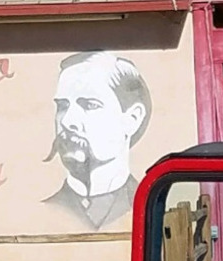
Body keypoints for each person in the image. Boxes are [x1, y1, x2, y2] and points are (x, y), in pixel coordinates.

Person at [43, 51, 151, 230]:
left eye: (89, 105)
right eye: (62, 106)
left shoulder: (151, 205)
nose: (67, 121)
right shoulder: (45, 211)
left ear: (133, 118)